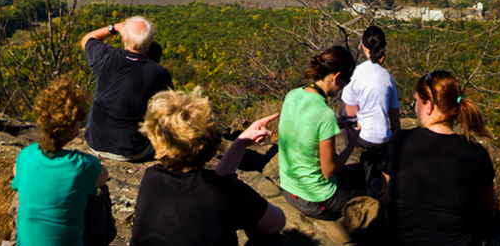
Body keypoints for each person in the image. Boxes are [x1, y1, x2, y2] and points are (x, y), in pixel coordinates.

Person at [384, 71, 500, 246]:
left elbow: (389, 198)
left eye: (416, 101)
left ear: (429, 105)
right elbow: (491, 211)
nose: (415, 107)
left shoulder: (398, 141)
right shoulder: (475, 153)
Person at [131, 89, 285, 245]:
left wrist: (241, 143)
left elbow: (208, 187)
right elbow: (277, 222)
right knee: (270, 238)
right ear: (212, 141)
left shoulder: (151, 178)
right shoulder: (230, 193)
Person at [12, 78, 109, 246]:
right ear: (70, 126)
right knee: (98, 192)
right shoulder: (82, 165)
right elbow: (103, 176)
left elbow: (15, 173)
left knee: (21, 193)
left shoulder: (25, 156)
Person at [278, 45, 365, 221]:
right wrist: (351, 144)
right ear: (337, 77)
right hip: (316, 200)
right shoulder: (325, 114)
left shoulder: (293, 95)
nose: (345, 86)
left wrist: (336, 124)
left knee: (356, 173)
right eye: (346, 81)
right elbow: (329, 171)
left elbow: (304, 129)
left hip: (288, 189)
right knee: (372, 190)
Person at [80, 16, 173, 161]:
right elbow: (170, 111)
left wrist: (114, 28)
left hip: (95, 142)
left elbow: (87, 39)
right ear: (149, 43)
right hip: (133, 150)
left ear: (123, 39)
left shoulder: (105, 57)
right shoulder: (159, 73)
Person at [342, 26, 400, 159]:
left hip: (364, 138)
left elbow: (351, 116)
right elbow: (395, 119)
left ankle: (351, 148)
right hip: (383, 140)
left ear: (364, 47)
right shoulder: (387, 77)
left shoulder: (356, 73)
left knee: (343, 106)